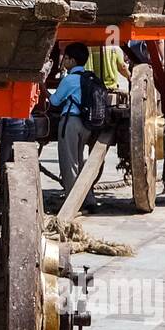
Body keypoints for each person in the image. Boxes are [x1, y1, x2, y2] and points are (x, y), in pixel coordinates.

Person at [51, 42, 95, 208]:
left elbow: (55, 101)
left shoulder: (69, 80)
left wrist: (43, 90)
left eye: (66, 58)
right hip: (86, 125)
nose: (64, 61)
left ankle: (72, 202)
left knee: (69, 163)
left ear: (72, 60)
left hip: (71, 122)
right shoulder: (89, 77)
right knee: (80, 162)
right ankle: (88, 198)